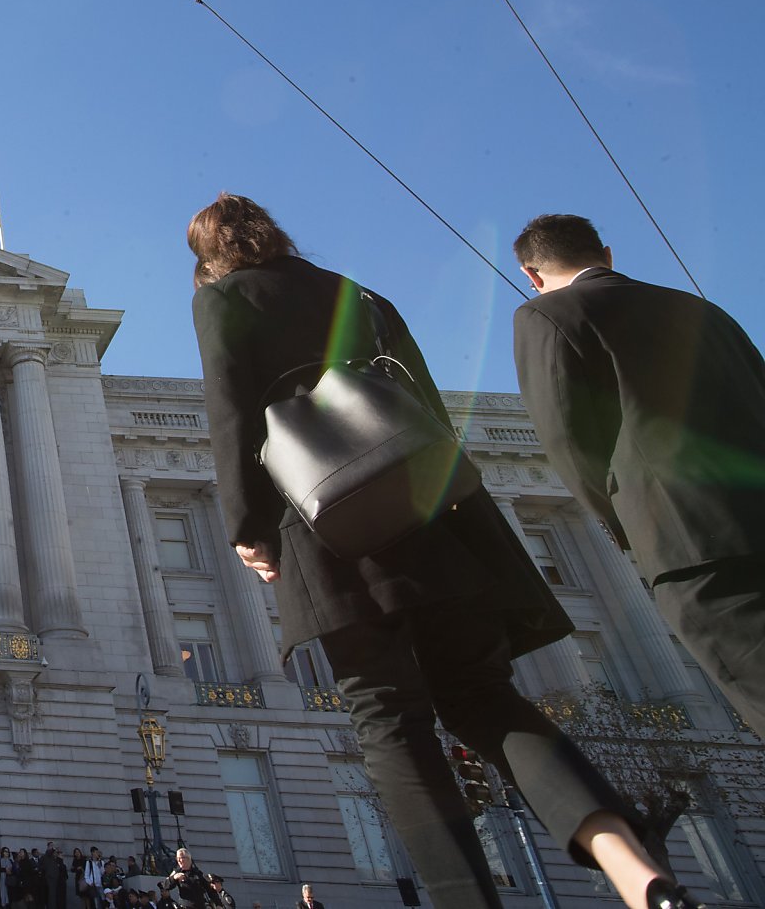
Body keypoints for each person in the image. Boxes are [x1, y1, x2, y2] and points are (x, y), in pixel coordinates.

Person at [189, 193, 697, 909]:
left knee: (389, 719)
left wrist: (248, 526)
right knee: (486, 699)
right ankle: (637, 872)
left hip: (333, 526)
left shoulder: (223, 300)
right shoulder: (361, 295)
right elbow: (424, 406)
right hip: (432, 523)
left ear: (208, 256)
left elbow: (231, 410)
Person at [511, 213, 765, 736]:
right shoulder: (701, 309)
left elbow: (568, 439)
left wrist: (624, 524)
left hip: (688, 544)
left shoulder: (547, 313)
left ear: (532, 275)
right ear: (606, 253)